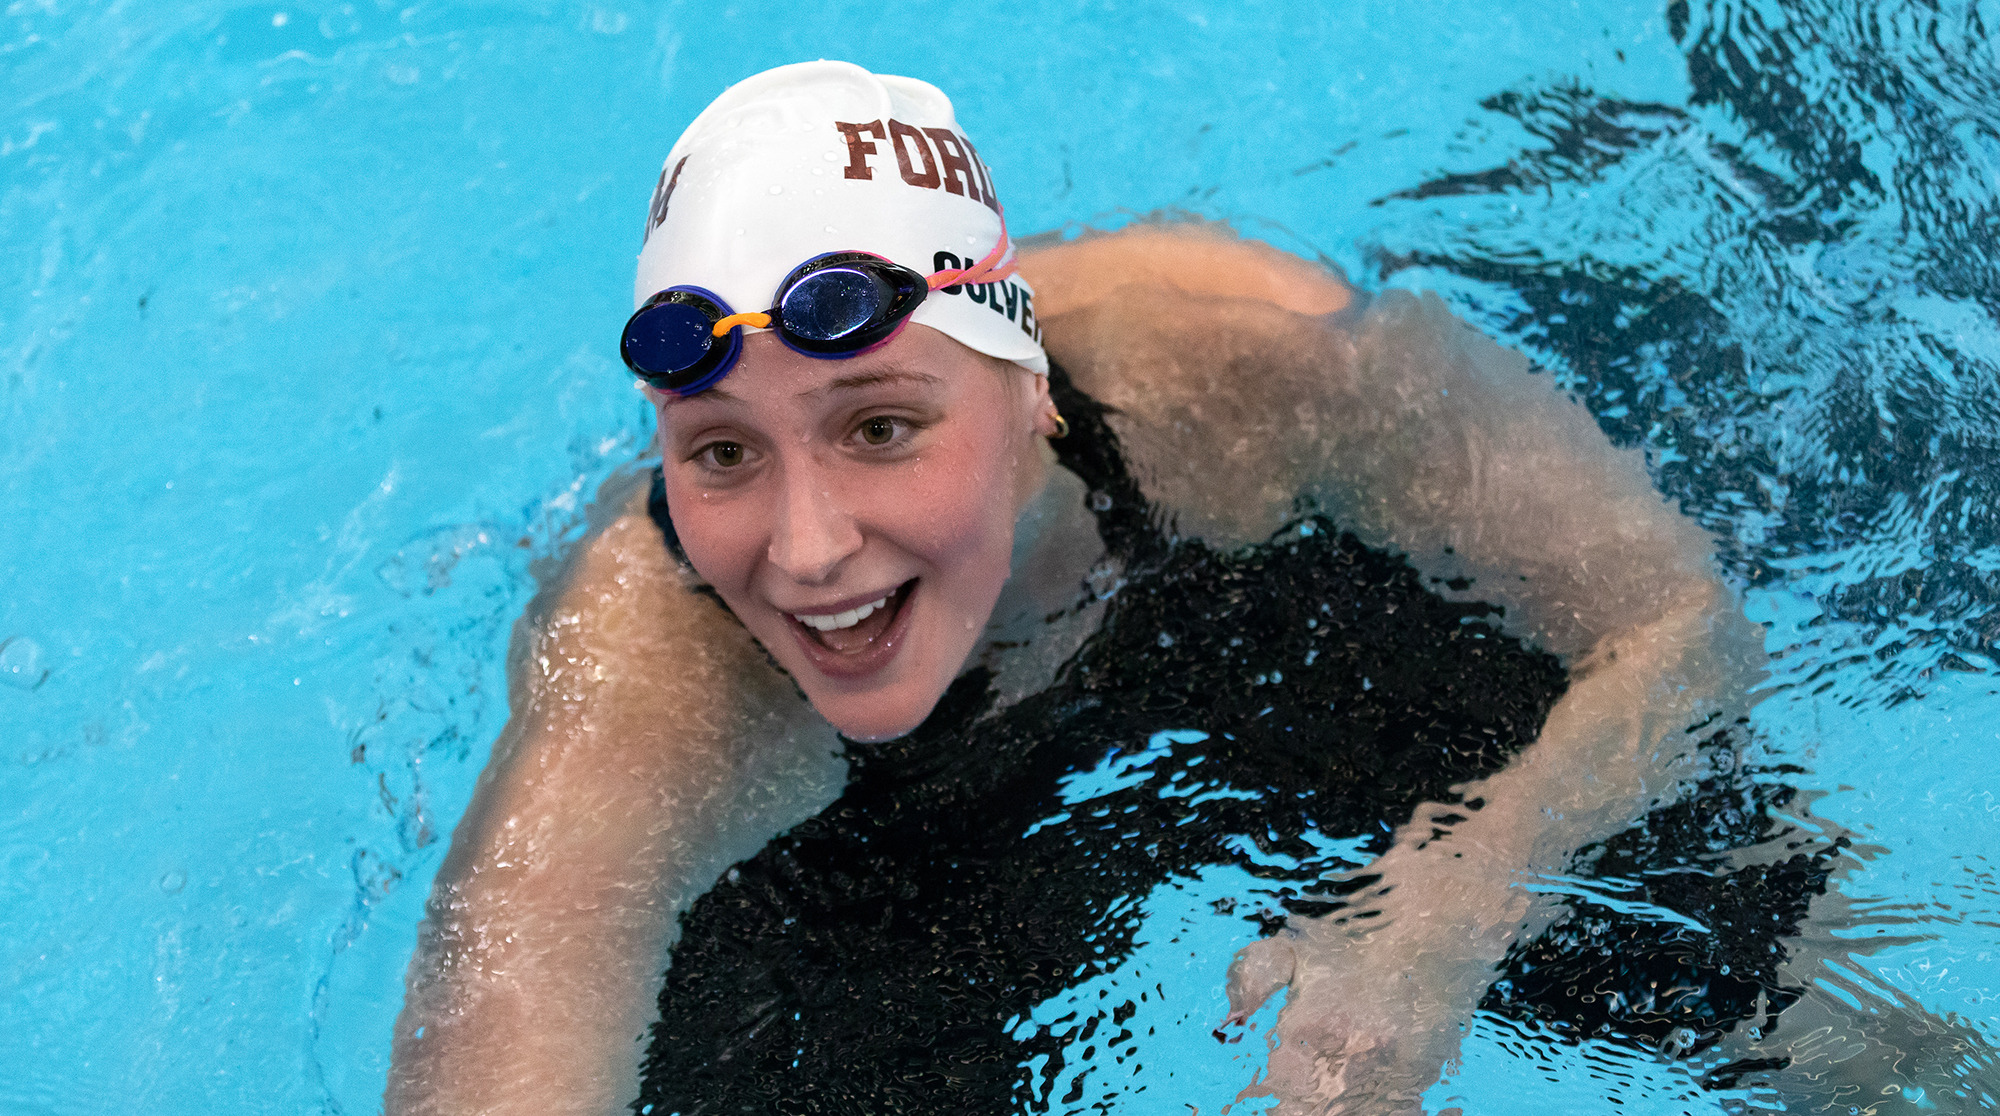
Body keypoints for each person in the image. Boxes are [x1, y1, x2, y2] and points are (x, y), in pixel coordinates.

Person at [385, 61, 1758, 1115]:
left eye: (879, 429)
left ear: (1029, 389)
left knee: (1776, 993)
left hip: (1222, 638)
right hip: (859, 886)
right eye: (724, 453)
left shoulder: (1239, 367)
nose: (804, 551)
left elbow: (1674, 625)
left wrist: (1450, 904)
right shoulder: (641, 691)